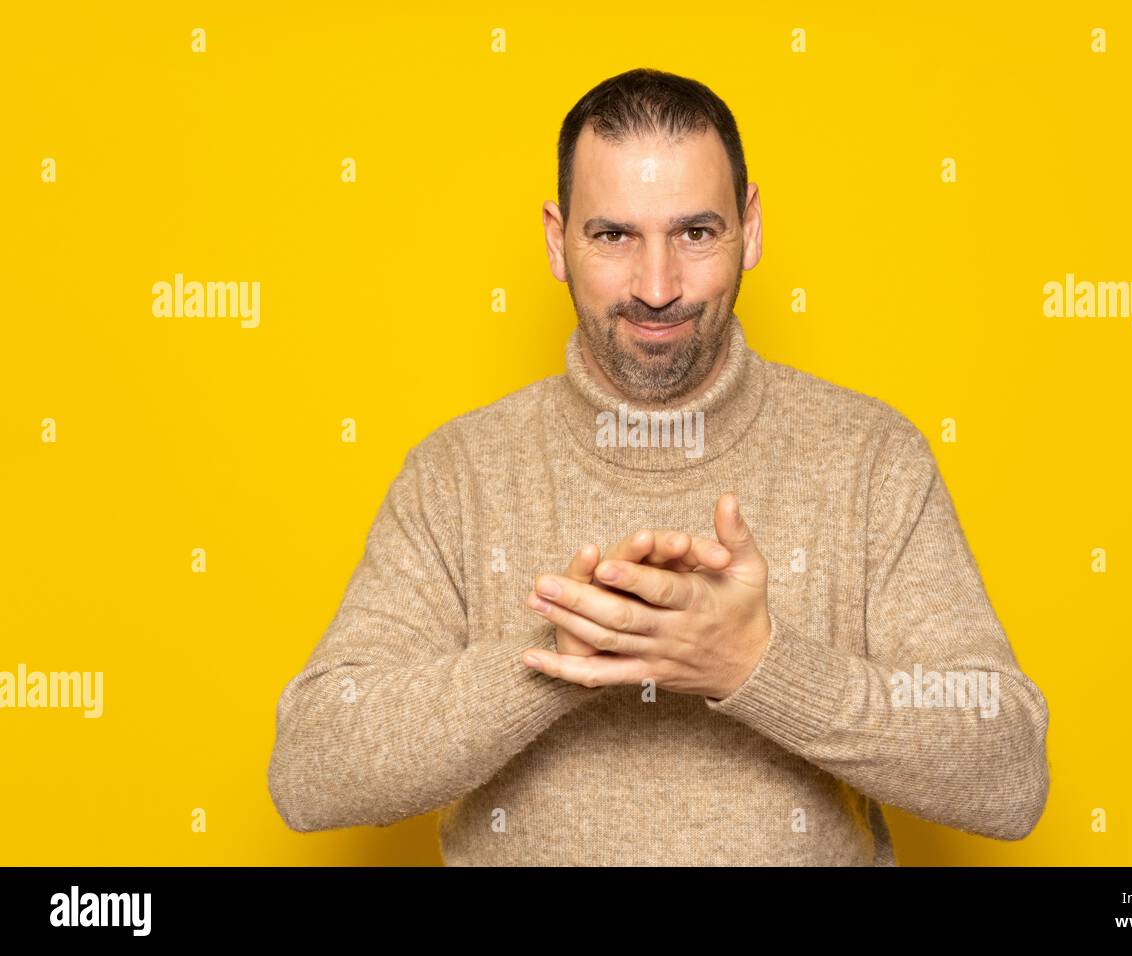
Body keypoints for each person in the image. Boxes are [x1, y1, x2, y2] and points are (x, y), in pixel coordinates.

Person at [266, 66, 1050, 865]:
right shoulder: (457, 474)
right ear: (556, 240)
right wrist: (559, 661)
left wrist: (756, 665)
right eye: (613, 236)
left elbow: (1009, 765)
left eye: (695, 233)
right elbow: (312, 768)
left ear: (750, 228)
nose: (657, 287)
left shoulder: (871, 458)